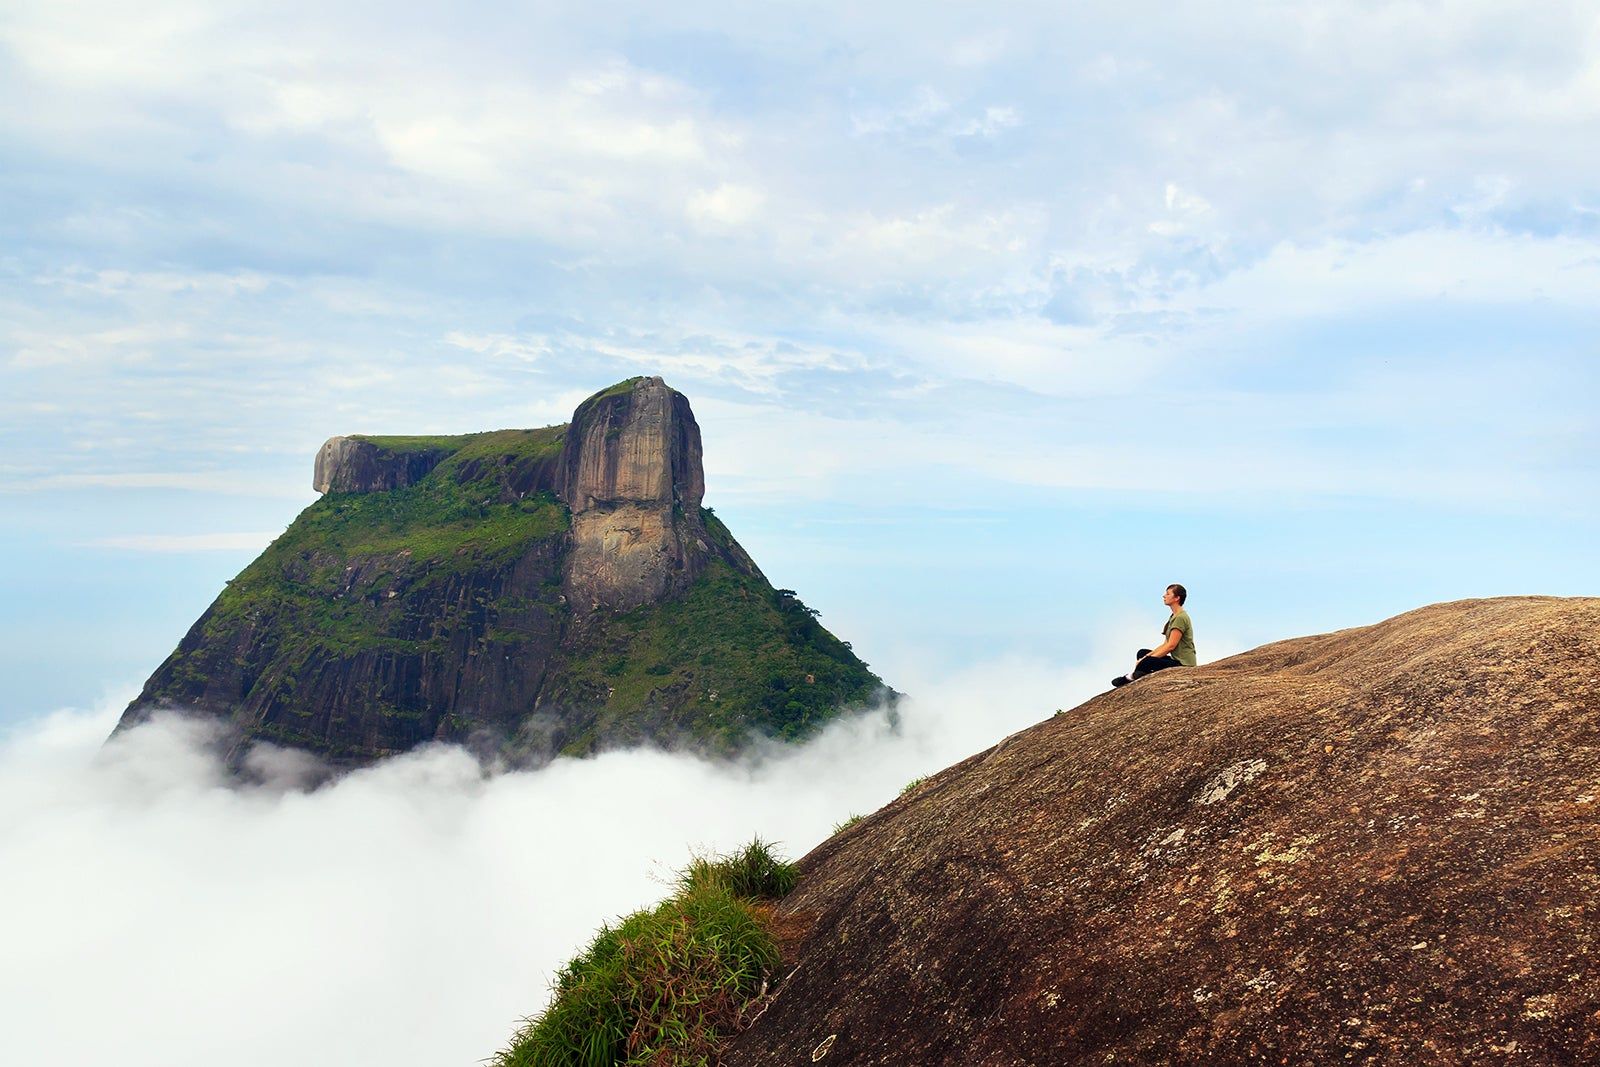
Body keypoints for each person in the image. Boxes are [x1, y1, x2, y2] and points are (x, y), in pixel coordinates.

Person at [1112, 584, 1195, 687]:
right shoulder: (1173, 617)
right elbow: (1165, 644)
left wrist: (1145, 660)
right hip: (1175, 660)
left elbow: (1171, 646)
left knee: (1147, 661)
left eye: (1168, 594)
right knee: (1142, 653)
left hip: (1183, 664)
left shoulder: (1180, 618)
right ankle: (1139, 674)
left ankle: (1129, 677)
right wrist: (1146, 657)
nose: (1164, 596)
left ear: (1177, 598)